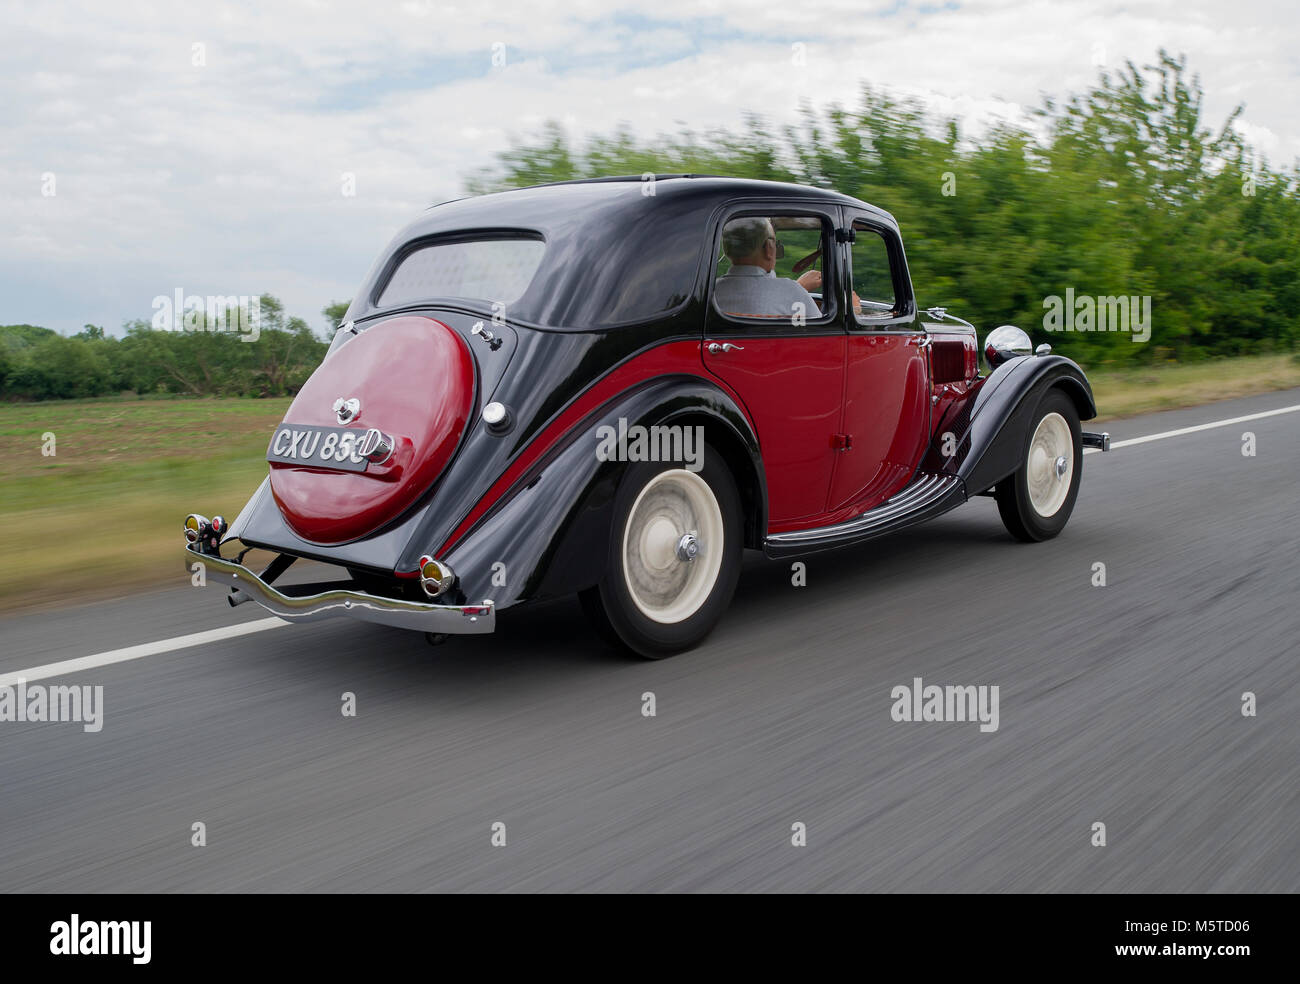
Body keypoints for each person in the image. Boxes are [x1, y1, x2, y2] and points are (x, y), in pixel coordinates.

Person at [714, 217, 821, 319]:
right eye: (776, 243)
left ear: (727, 249)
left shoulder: (711, 292)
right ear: (769, 247)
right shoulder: (793, 292)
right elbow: (820, 331)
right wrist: (798, 290)